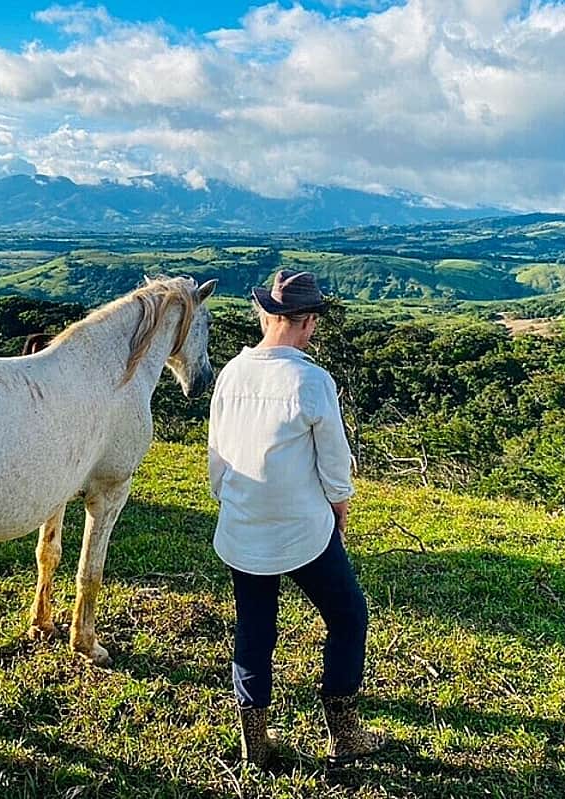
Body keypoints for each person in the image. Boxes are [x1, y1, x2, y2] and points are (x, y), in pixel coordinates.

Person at [207, 269, 386, 768]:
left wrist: (238, 505)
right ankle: (344, 733)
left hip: (243, 526)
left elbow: (216, 459)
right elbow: (334, 467)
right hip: (304, 529)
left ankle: (256, 743)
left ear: (267, 316)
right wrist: (339, 517)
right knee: (348, 619)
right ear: (306, 323)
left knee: (255, 630)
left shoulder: (231, 373)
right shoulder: (311, 380)